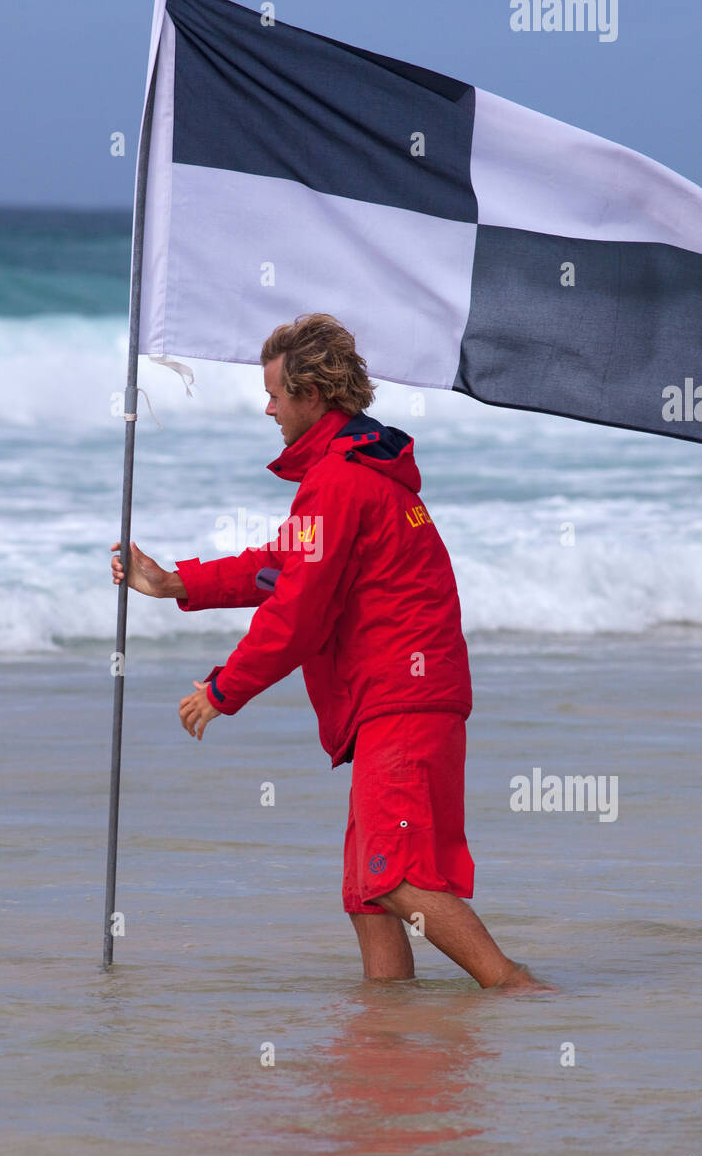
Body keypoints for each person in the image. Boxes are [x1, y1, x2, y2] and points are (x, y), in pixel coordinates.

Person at [111, 313, 551, 992]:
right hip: (401, 699)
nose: (268, 408)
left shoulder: (341, 481)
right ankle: (391, 1030)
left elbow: (297, 613)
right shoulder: (344, 475)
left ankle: (520, 992)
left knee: (395, 876)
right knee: (367, 890)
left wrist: (223, 689)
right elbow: (283, 568)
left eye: (276, 395)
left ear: (312, 396)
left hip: (404, 700)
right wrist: (178, 583)